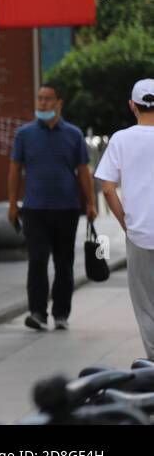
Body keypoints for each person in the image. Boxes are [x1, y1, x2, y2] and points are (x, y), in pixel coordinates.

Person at [8, 82, 96, 331]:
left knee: (64, 263)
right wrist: (13, 204)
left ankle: (60, 314)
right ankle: (37, 312)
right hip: (34, 209)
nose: (42, 103)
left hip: (66, 208)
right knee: (37, 261)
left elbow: (83, 171)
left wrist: (90, 203)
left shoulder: (74, 135)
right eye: (39, 99)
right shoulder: (24, 135)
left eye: (47, 99)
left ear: (59, 103)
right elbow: (15, 170)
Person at [94, 78, 154, 358]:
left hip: (140, 233)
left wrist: (124, 223)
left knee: (146, 306)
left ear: (132, 105)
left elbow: (107, 187)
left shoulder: (121, 139)